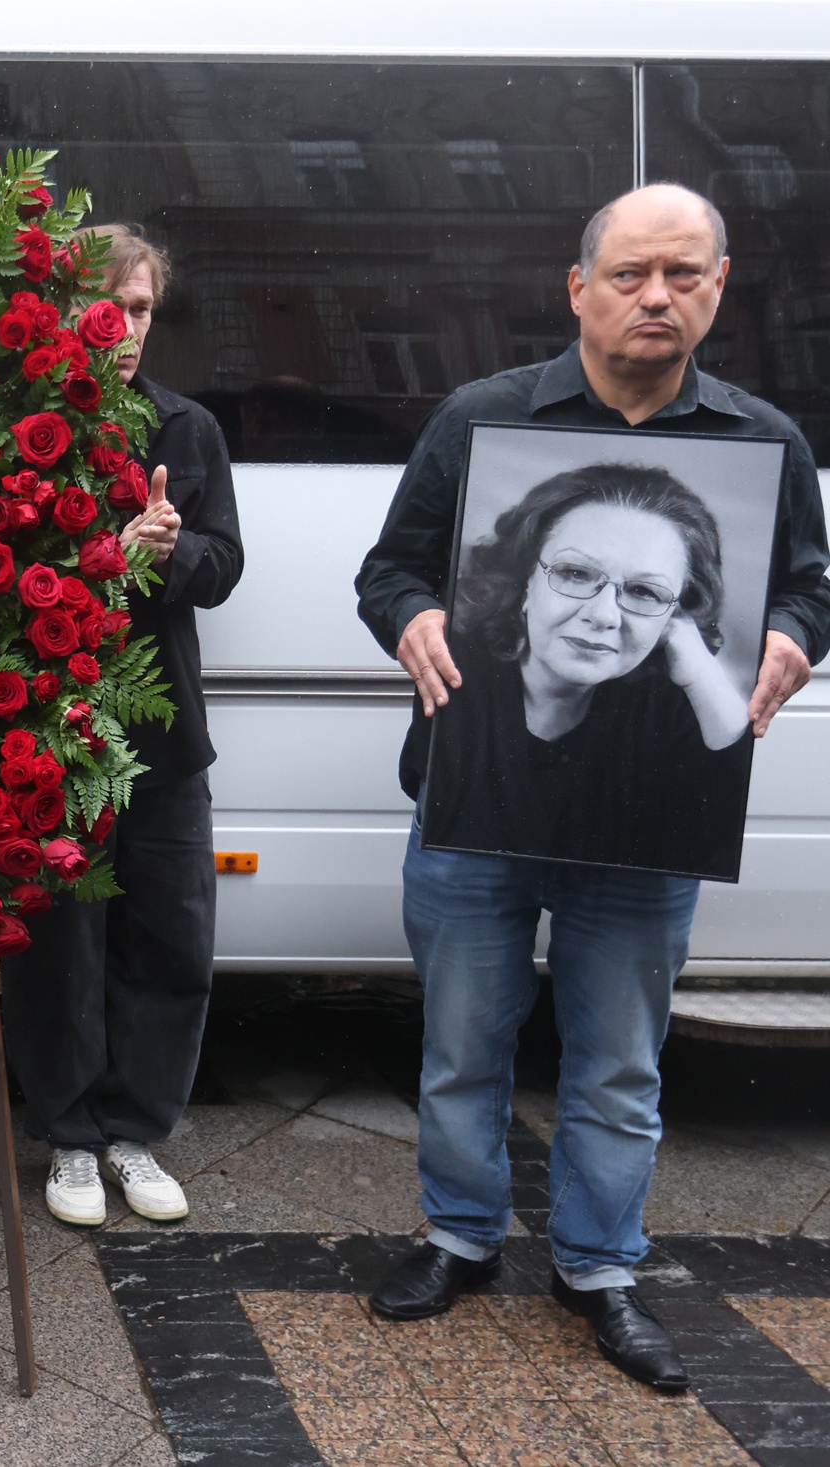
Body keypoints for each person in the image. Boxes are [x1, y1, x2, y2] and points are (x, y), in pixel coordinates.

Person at [355, 183, 830, 1391]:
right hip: (476, 801)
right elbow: (391, 569)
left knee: (619, 1057)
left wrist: (789, 636)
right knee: (465, 1043)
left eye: (683, 274)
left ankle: (600, 1267)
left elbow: (812, 589)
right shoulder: (480, 418)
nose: (655, 296)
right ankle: (457, 1240)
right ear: (579, 288)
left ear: (719, 287)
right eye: (629, 274)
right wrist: (410, 617)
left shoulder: (764, 443)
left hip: (650, 813)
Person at [5, 224, 244, 1228]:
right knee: (64, 941)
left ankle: (135, 1135)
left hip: (163, 735)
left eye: (142, 310)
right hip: (52, 732)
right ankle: (67, 1138)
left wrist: (171, 547)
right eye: (107, 308)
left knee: (169, 930)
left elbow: (226, 567)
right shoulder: (20, 432)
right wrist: (99, 551)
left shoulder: (185, 431)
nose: (126, 329)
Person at [426, 461, 753, 876]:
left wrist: (702, 676)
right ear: (524, 581)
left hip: (624, 886)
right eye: (576, 574)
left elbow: (711, 840)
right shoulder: (459, 671)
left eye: (643, 591)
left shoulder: (676, 699)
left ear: (676, 614)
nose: (603, 616)